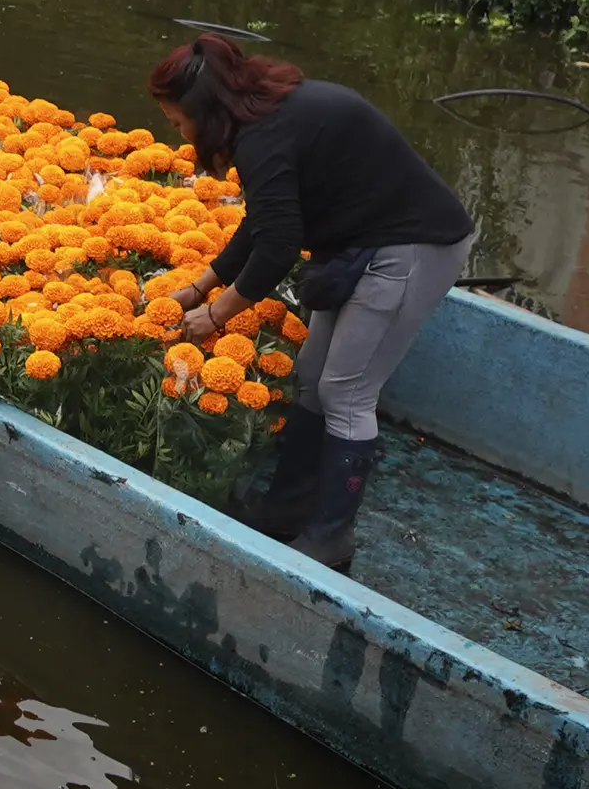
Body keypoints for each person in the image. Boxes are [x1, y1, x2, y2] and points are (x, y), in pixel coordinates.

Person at [148, 34, 475, 572]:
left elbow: (277, 248)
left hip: (412, 244)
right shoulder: (268, 120)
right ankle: (285, 509)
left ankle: (330, 537)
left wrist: (214, 315)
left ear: (206, 114)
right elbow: (266, 221)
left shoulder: (263, 140)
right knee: (313, 372)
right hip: (361, 240)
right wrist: (199, 284)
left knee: (347, 391)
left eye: (177, 122)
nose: (179, 135)